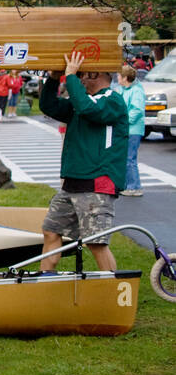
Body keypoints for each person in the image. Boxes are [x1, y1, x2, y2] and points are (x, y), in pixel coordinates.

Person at [38, 51, 127, 273]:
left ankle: (111, 292)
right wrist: (53, 78)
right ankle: (45, 281)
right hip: (72, 182)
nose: (79, 79)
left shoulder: (112, 101)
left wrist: (69, 76)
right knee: (50, 231)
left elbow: (90, 110)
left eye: (82, 75)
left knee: (96, 242)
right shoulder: (80, 102)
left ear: (94, 74)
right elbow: (48, 106)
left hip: (96, 182)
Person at [117, 64, 146, 197]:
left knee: (130, 158)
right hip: (126, 128)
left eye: (119, 76)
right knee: (126, 158)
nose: (117, 78)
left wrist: (124, 121)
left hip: (133, 129)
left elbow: (137, 110)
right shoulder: (123, 89)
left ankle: (134, 187)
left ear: (125, 78)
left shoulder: (136, 91)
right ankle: (128, 185)